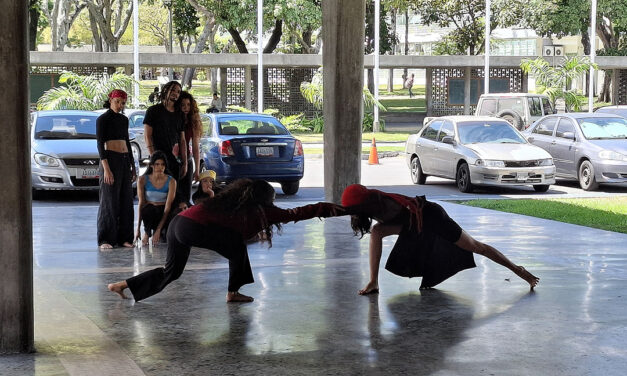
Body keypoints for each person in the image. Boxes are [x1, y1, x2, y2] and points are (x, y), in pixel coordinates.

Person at [107, 179, 345, 303]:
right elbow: (298, 213)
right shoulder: (262, 211)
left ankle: (123, 284)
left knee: (172, 271)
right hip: (191, 227)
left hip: (178, 224)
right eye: (271, 199)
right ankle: (232, 292)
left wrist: (326, 208)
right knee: (235, 246)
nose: (273, 202)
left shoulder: (231, 202)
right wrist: (326, 208)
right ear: (263, 200)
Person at [340, 184, 539, 295]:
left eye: (353, 210)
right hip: (412, 224)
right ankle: (374, 282)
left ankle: (519, 270)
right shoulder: (370, 206)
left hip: (432, 217)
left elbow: (412, 216)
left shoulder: (386, 205)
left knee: (476, 247)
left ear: (364, 204)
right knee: (376, 231)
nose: (352, 215)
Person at [96, 89, 137, 249]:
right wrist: (106, 168)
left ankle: (125, 238)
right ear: (110, 100)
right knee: (109, 201)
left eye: (123, 102)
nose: (120, 105)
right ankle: (106, 239)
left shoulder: (124, 120)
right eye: (117, 101)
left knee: (126, 200)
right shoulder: (102, 119)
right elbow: (100, 144)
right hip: (110, 161)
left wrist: (133, 166)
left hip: (125, 160)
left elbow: (127, 141)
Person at [143, 80, 187, 198]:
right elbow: (147, 136)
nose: (175, 94)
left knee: (174, 195)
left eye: (178, 92)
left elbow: (182, 140)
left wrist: (185, 162)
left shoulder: (180, 114)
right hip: (158, 159)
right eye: (173, 90)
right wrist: (154, 157)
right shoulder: (153, 111)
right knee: (158, 194)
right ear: (166, 90)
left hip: (175, 160)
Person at [136, 151, 177, 246]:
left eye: (163, 164)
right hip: (149, 213)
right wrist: (137, 230)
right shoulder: (142, 179)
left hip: (163, 212)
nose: (160, 167)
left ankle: (158, 230)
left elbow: (167, 208)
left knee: (166, 238)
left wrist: (158, 230)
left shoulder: (171, 181)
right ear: (152, 166)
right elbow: (141, 204)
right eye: (157, 164)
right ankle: (147, 233)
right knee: (147, 209)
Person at [177, 91, 203, 209]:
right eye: (183, 105)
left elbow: (196, 147)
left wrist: (197, 170)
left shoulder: (193, 121)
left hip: (187, 159)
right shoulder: (174, 119)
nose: (186, 108)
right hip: (173, 159)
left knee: (186, 195)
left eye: (188, 105)